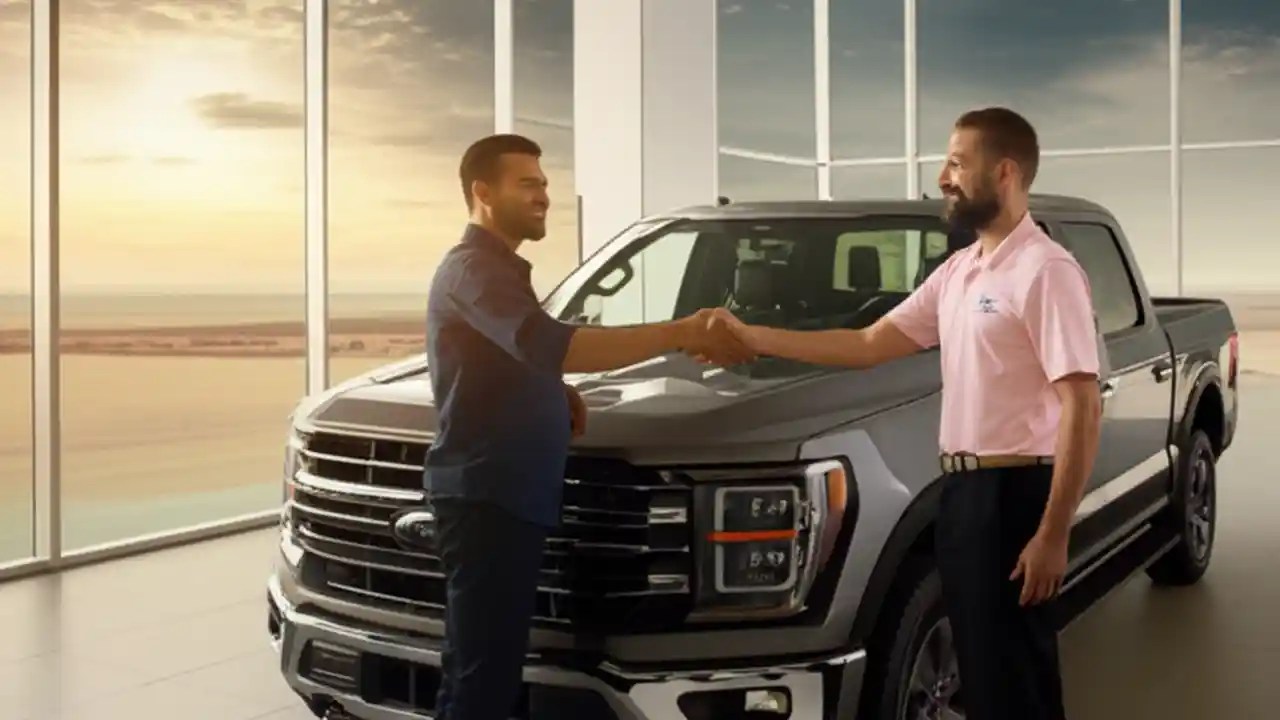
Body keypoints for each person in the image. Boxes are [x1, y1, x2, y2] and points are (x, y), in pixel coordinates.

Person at [713, 108, 1102, 719]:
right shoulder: (960, 271)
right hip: (964, 492)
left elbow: (1082, 401)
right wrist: (756, 338)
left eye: (955, 162)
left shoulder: (1046, 271)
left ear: (1003, 172)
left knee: (1017, 678)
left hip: (1017, 495)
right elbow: (869, 344)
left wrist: (1053, 533)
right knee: (982, 671)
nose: (943, 176)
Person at [414, 133, 753, 720]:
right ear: (482, 192)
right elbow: (550, 343)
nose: (544, 195)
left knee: (492, 667)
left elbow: (512, 354)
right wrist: (680, 331)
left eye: (545, 184)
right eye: (528, 184)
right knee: (480, 679)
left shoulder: (500, 271)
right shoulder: (474, 270)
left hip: (509, 498)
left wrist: (551, 390)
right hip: (489, 500)